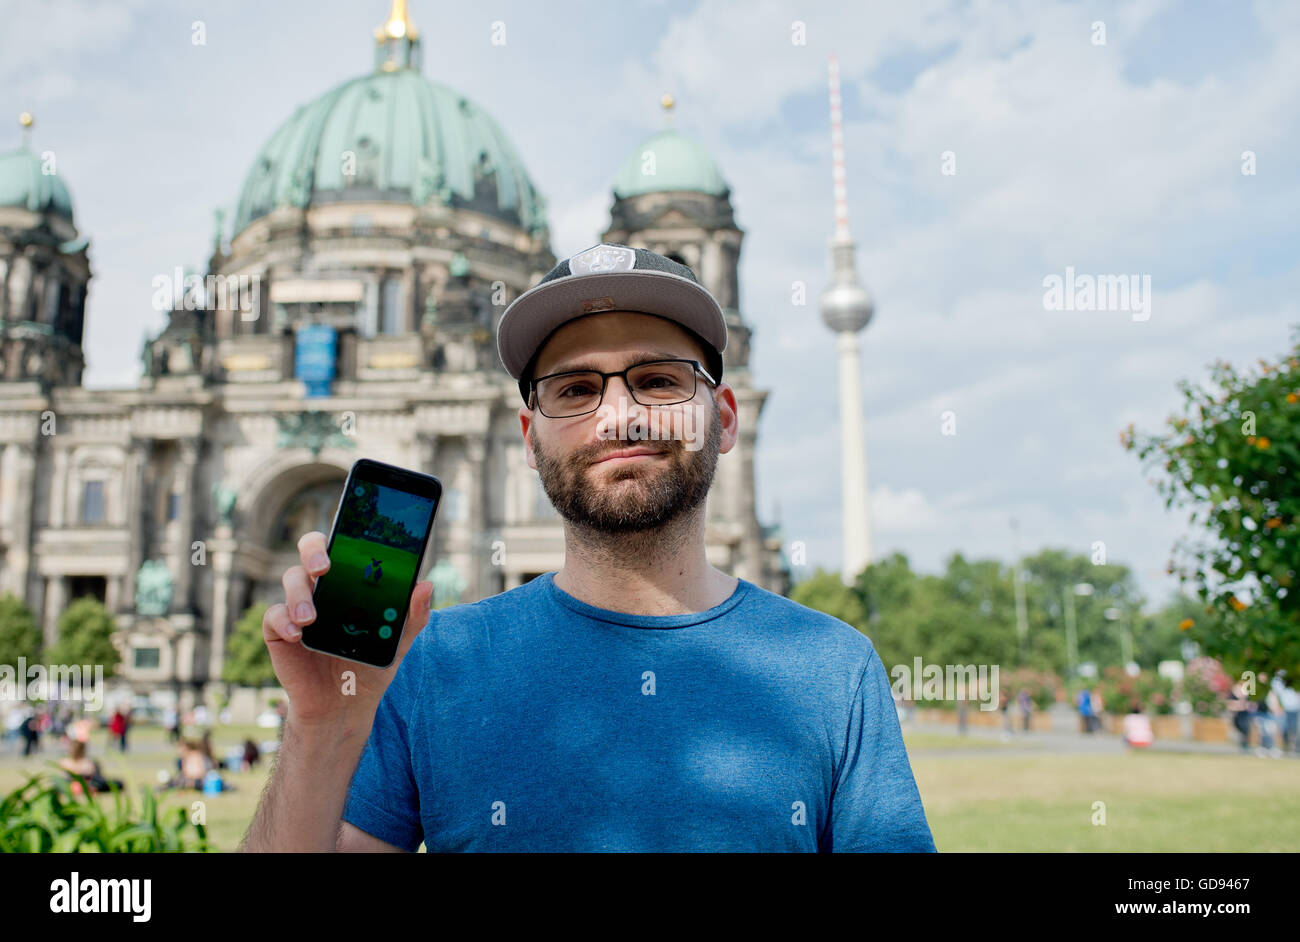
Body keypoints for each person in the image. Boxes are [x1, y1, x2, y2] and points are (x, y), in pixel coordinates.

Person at [240, 244, 937, 853]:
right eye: (575, 389)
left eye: (658, 379)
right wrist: (320, 726)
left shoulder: (833, 670)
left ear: (723, 419)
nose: (619, 416)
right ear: (528, 440)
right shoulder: (429, 667)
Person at [59, 739, 123, 794]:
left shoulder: (86, 762)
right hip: (79, 784)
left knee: (117, 783)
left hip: (87, 784)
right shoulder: (68, 762)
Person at [1273, 672, 1300, 754]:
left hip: (1295, 708)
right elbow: (1275, 693)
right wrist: (1278, 706)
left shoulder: (1295, 678)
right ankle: (1286, 747)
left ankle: (1294, 748)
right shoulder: (1278, 679)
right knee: (1284, 728)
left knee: (1294, 729)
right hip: (1283, 708)